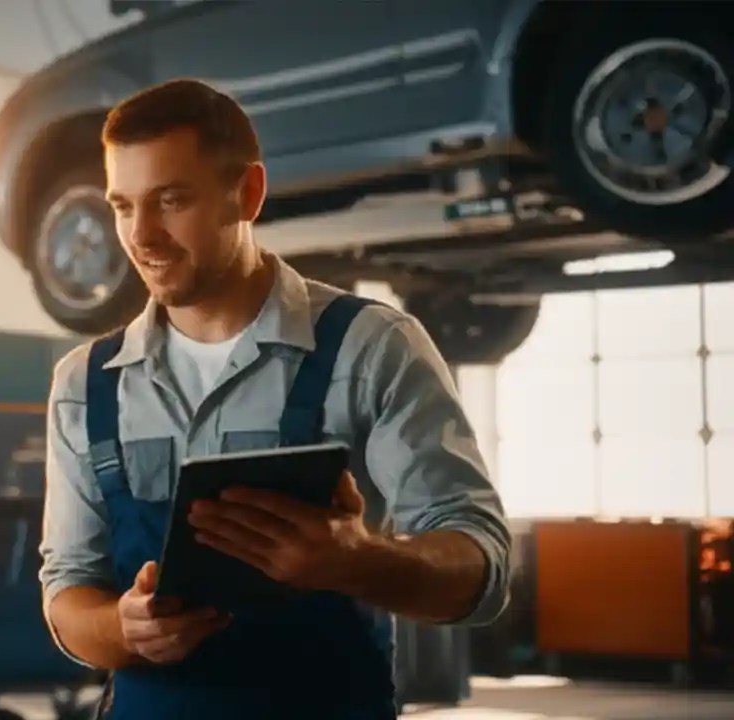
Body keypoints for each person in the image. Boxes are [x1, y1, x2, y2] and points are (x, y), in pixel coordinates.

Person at [39, 79, 512, 719]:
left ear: (249, 193)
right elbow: (68, 591)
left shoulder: (370, 348)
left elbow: (480, 566)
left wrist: (359, 562)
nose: (142, 236)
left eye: (171, 200)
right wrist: (125, 631)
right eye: (124, 206)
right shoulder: (85, 383)